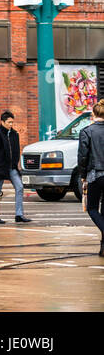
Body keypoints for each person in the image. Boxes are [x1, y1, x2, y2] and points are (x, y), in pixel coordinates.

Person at [0, 110, 30, 224]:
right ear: (2, 122)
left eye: (12, 122)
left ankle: (19, 215)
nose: (11, 125)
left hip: (12, 168)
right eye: (9, 122)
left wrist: (16, 164)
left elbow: (16, 151)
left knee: (20, 187)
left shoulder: (14, 134)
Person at [78, 100, 104, 257]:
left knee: (92, 208)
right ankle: (103, 249)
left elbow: (83, 156)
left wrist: (82, 175)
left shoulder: (87, 131)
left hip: (95, 175)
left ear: (93, 114)